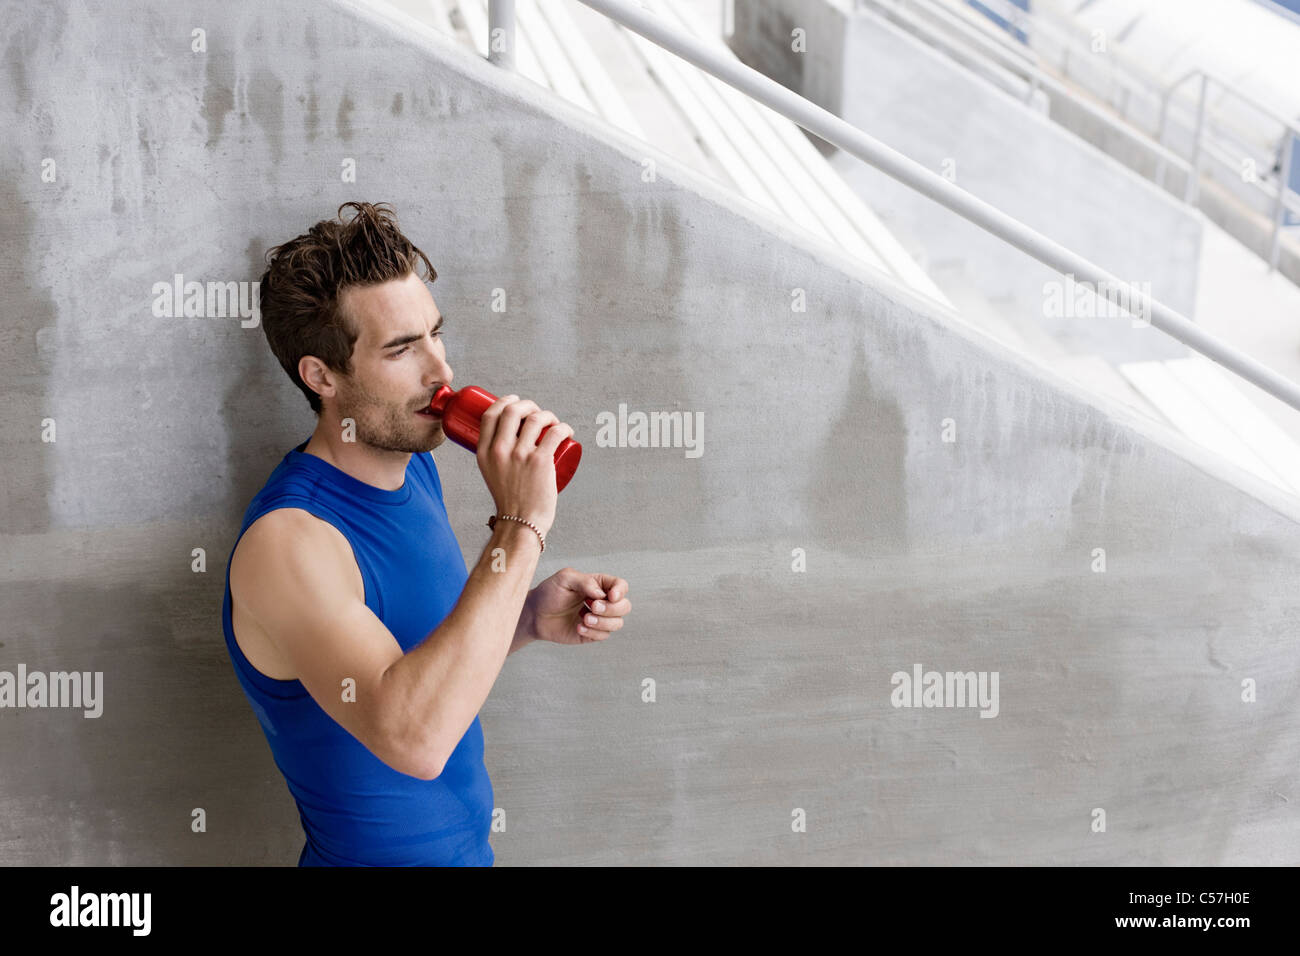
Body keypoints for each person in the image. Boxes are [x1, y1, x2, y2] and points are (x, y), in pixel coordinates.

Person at [220, 201, 631, 866]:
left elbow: (425, 672)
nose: (440, 371)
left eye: (435, 334)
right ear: (321, 376)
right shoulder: (290, 541)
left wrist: (524, 618)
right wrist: (520, 527)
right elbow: (414, 738)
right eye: (402, 349)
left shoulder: (416, 474)